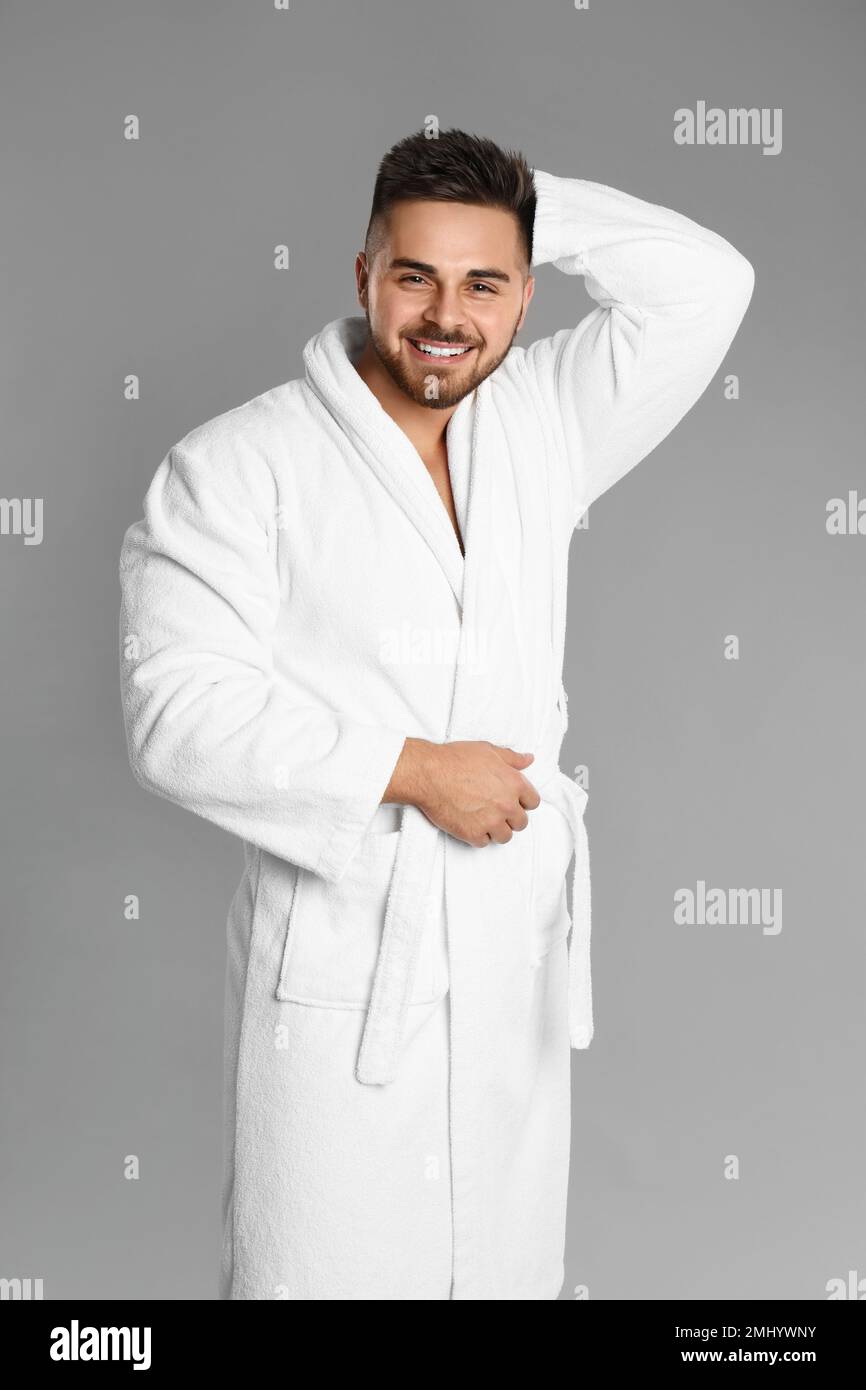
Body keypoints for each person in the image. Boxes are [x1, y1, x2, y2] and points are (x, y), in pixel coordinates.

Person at [118, 127, 754, 1300]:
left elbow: (707, 282)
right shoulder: (235, 466)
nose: (445, 314)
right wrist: (409, 769)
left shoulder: (545, 424)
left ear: (524, 293)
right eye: (414, 273)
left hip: (506, 963)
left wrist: (525, 208)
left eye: (484, 282)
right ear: (361, 274)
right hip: (350, 965)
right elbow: (176, 711)